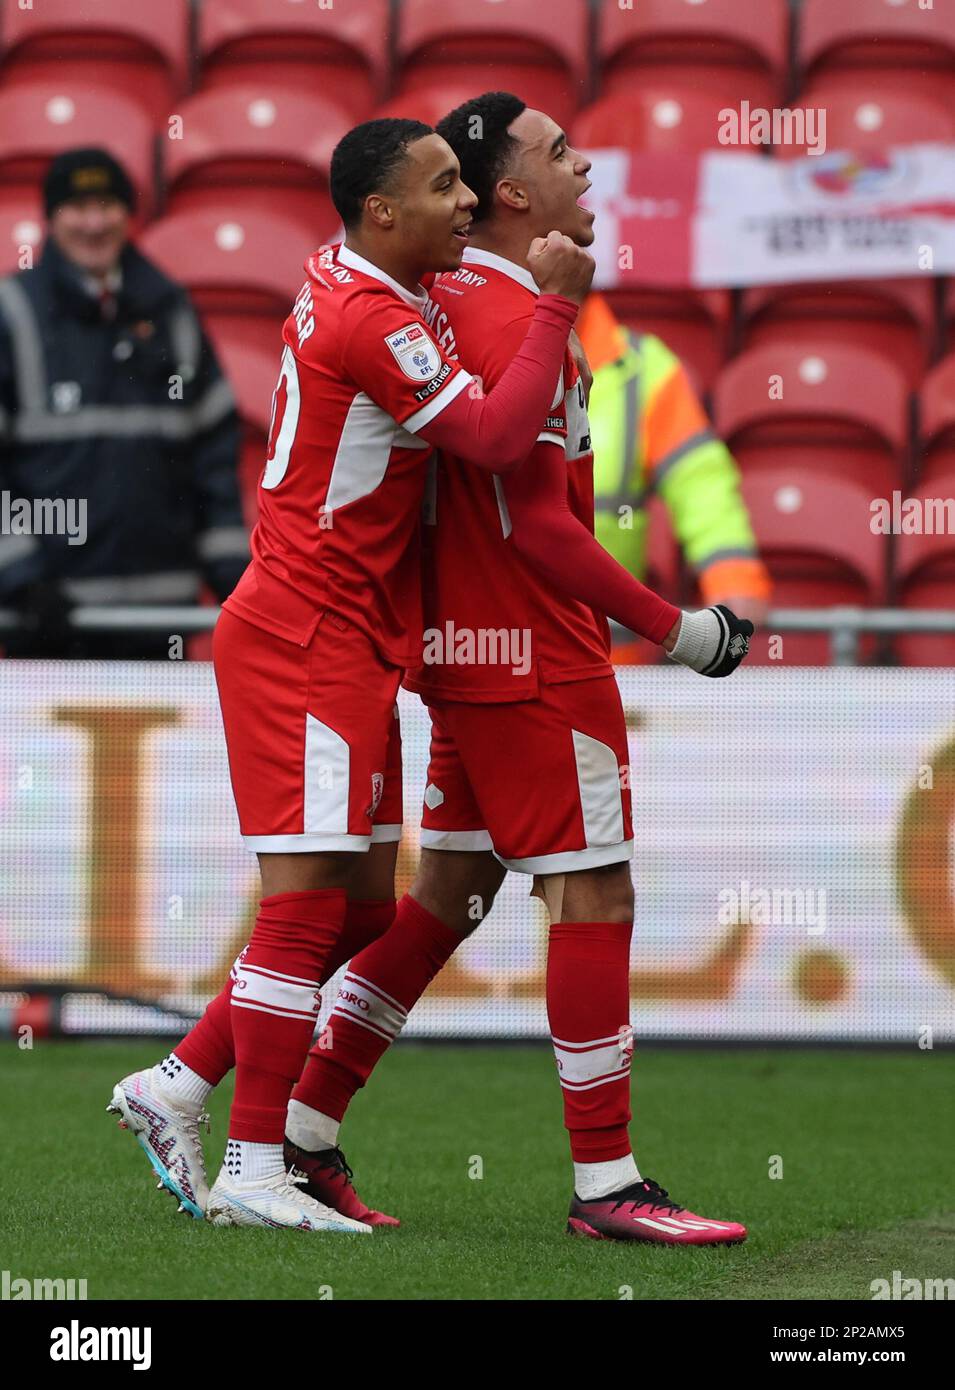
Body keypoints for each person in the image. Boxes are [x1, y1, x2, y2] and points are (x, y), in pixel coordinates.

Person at [278, 94, 752, 1244]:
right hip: (537, 655)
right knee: (596, 895)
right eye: (556, 153)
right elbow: (537, 523)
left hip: (465, 656)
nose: (582, 165)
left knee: (446, 899)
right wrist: (677, 630)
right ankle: (609, 1184)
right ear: (510, 195)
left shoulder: (449, 302)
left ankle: (294, 1126)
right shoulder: (508, 317)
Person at [107, 117, 595, 1232]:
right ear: (382, 212)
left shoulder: (360, 279)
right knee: (302, 912)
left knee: (360, 911)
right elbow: (490, 439)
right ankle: (253, 1169)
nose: (464, 201)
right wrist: (556, 306)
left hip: (355, 639)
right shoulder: (376, 315)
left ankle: (176, 1081)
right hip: (307, 636)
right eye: (439, 188)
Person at [0, 147, 247, 657]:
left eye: (108, 205)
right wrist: (21, 580)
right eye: (77, 207)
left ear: (129, 215)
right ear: (51, 218)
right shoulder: (12, 314)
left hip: (164, 622)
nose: (94, 224)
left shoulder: (172, 310)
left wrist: (237, 583)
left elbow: (214, 457)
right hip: (46, 622)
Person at [577, 293, 771, 660]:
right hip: (490, 643)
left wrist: (731, 568)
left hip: (604, 655)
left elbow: (698, 479)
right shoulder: (466, 343)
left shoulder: (645, 367)